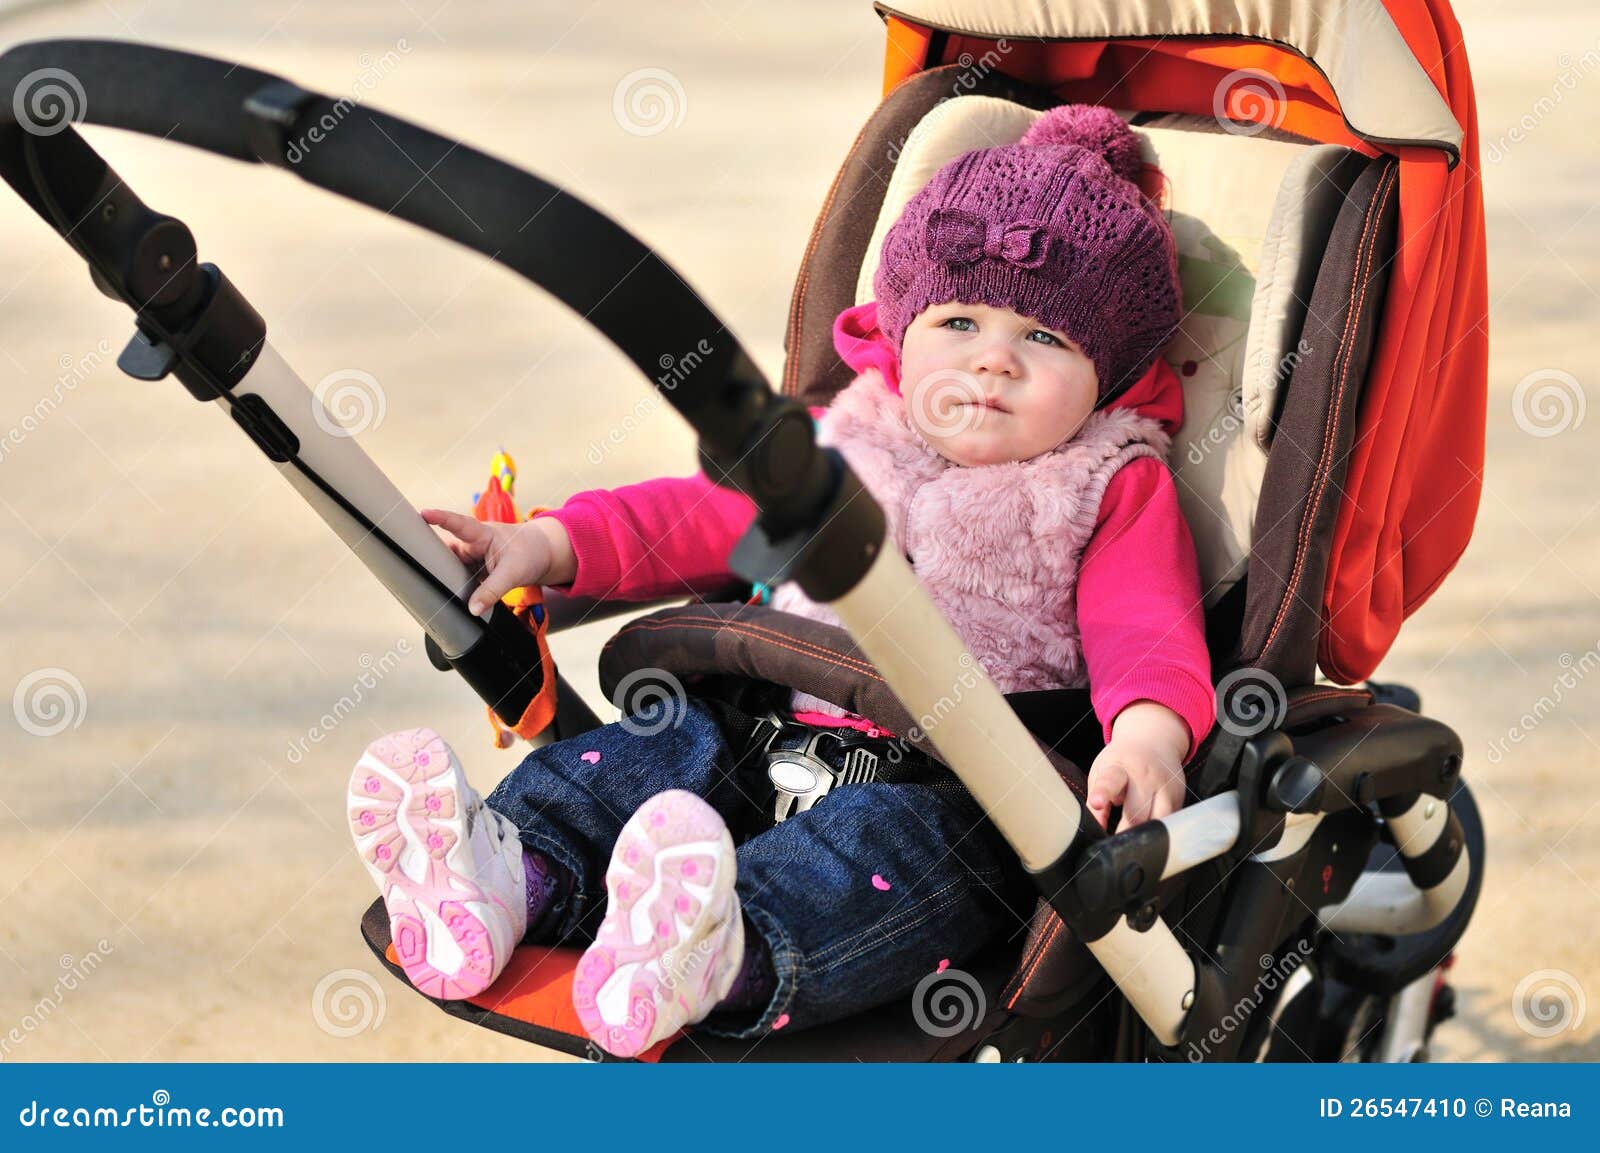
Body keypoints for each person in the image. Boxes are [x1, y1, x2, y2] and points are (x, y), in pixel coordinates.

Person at [346, 105, 1214, 1058]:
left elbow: (1146, 624)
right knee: (655, 745)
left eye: (1045, 338)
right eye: (959, 320)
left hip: (951, 789)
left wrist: (1148, 736)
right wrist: (551, 545)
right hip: (761, 726)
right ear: (900, 333)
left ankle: (714, 951)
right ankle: (508, 876)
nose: (993, 358)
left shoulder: (1106, 481)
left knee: (871, 859)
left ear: (1109, 373)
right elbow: (694, 516)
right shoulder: (846, 439)